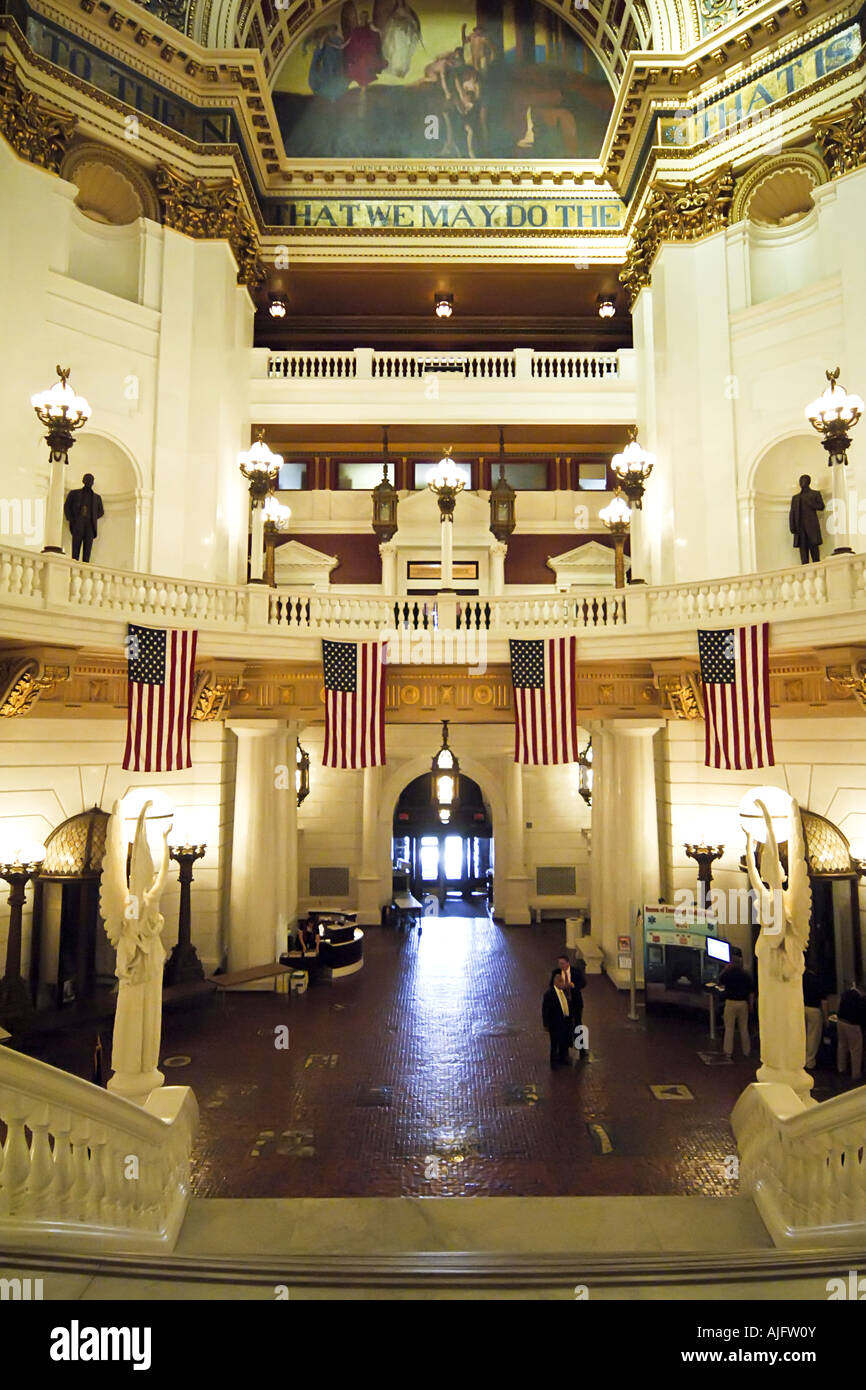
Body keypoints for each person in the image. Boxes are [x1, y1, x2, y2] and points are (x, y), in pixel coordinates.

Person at [718, 948, 753, 1058]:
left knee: (729, 1028)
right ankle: (746, 1051)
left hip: (730, 1002)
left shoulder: (728, 974)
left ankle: (728, 1052)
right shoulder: (746, 975)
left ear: (731, 963)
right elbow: (751, 992)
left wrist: (725, 969)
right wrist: (750, 1005)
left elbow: (720, 980)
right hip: (743, 1003)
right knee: (743, 1028)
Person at [63, 473, 104, 563]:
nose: (89, 482)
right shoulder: (74, 493)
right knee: (75, 551)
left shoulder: (97, 498)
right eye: (87, 479)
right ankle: (73, 567)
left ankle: (84, 570)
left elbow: (101, 512)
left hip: (90, 525)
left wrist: (92, 516)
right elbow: (67, 507)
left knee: (87, 552)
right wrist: (72, 519)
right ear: (83, 481)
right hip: (78, 523)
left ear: (93, 482)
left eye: (91, 480)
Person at [789, 474, 824, 564]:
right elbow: (792, 513)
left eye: (803, 481)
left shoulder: (815, 494)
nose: (801, 483)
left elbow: (821, 506)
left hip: (812, 528)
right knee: (803, 556)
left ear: (808, 482)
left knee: (815, 553)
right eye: (800, 481)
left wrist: (810, 504)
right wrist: (792, 527)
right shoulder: (795, 498)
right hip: (800, 529)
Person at [557, 952, 587, 1058]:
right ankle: (565, 1050)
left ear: (568, 963)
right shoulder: (557, 974)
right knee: (564, 1026)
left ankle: (582, 1049)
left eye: (563, 963)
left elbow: (583, 983)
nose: (561, 966)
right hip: (564, 1004)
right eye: (560, 963)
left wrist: (574, 985)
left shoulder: (575, 972)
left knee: (578, 1025)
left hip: (576, 1003)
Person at [542, 968, 573, 1069]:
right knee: (555, 1042)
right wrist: (546, 1024)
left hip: (565, 1020)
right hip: (555, 1023)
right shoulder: (549, 995)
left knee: (564, 1040)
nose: (562, 983)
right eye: (560, 982)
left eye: (563, 981)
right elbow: (545, 1010)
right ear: (555, 982)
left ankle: (563, 1057)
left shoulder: (564, 992)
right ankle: (554, 1062)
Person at [836, 980, 866, 1080]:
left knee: (842, 1045)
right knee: (855, 1049)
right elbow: (861, 1015)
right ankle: (856, 1074)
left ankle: (841, 1068)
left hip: (840, 1021)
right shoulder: (859, 998)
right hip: (852, 1025)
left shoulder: (846, 993)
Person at [802, 960, 828, 1069]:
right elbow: (824, 1001)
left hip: (802, 1008)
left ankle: (801, 1058)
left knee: (803, 1035)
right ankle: (810, 1061)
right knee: (813, 1036)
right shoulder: (818, 981)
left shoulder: (802, 979)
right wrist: (826, 1017)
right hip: (814, 1010)